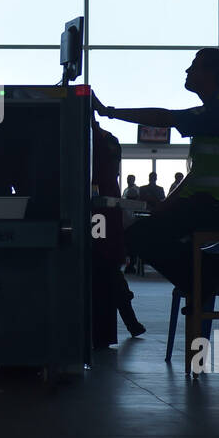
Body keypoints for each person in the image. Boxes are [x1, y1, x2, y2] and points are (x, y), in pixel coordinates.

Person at [95, 48, 219, 298]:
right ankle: (201, 277)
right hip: (216, 206)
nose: (188, 71)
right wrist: (165, 206)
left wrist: (109, 112)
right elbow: (196, 175)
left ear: (211, 73)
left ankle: (203, 281)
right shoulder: (217, 113)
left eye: (194, 66)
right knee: (151, 232)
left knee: (140, 235)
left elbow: (164, 117)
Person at [92, 118, 147, 345]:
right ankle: (130, 322)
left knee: (102, 266)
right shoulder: (109, 140)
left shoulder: (90, 140)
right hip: (106, 216)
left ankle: (128, 323)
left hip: (97, 216)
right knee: (109, 268)